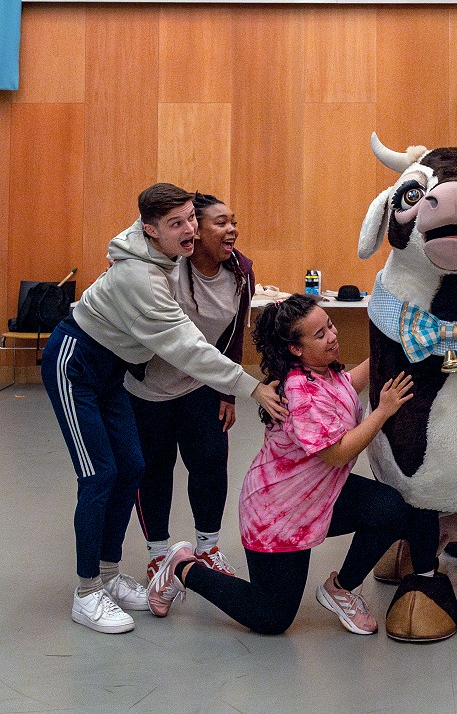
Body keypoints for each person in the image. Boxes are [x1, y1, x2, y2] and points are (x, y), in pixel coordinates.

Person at [41, 183, 287, 635]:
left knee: (131, 466)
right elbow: (188, 347)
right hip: (75, 362)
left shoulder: (164, 251)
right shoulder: (141, 278)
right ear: (150, 230)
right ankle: (86, 590)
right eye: (178, 224)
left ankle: (111, 577)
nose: (190, 230)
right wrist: (251, 387)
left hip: (111, 369)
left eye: (192, 218)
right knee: (99, 475)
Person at [146, 294, 416, 636]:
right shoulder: (300, 391)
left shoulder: (324, 371)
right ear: (296, 349)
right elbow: (336, 454)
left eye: (330, 325)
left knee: (389, 509)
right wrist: (383, 410)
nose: (332, 335)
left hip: (319, 497)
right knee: (271, 617)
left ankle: (341, 588)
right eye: (319, 335)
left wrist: (391, 348)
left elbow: (351, 383)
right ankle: (182, 568)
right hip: (278, 514)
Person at [127, 192, 253, 582]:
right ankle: (158, 555)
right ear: (195, 232)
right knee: (154, 470)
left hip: (200, 385)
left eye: (233, 221)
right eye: (220, 222)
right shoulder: (162, 269)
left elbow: (233, 337)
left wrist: (227, 392)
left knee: (210, 463)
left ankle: (208, 548)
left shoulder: (241, 273)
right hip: (147, 391)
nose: (231, 229)